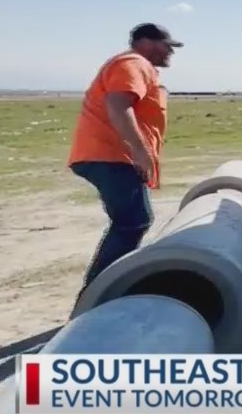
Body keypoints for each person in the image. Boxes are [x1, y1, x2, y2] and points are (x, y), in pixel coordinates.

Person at [67, 23, 182, 300]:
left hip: (111, 155)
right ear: (146, 42)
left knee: (133, 221)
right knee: (133, 222)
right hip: (110, 156)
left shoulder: (139, 67)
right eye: (168, 45)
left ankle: (110, 288)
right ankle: (100, 294)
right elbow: (119, 105)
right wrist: (140, 151)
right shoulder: (133, 63)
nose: (171, 52)